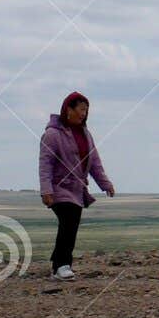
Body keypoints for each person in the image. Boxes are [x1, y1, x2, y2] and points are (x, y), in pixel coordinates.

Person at [37, 91, 116, 281]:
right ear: (68, 110)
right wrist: (46, 190)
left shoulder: (85, 134)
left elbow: (94, 162)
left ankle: (58, 265)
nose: (84, 114)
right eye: (81, 109)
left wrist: (105, 183)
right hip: (59, 188)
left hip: (77, 190)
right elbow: (45, 164)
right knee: (69, 222)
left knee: (70, 226)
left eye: (86, 110)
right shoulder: (52, 135)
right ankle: (62, 266)